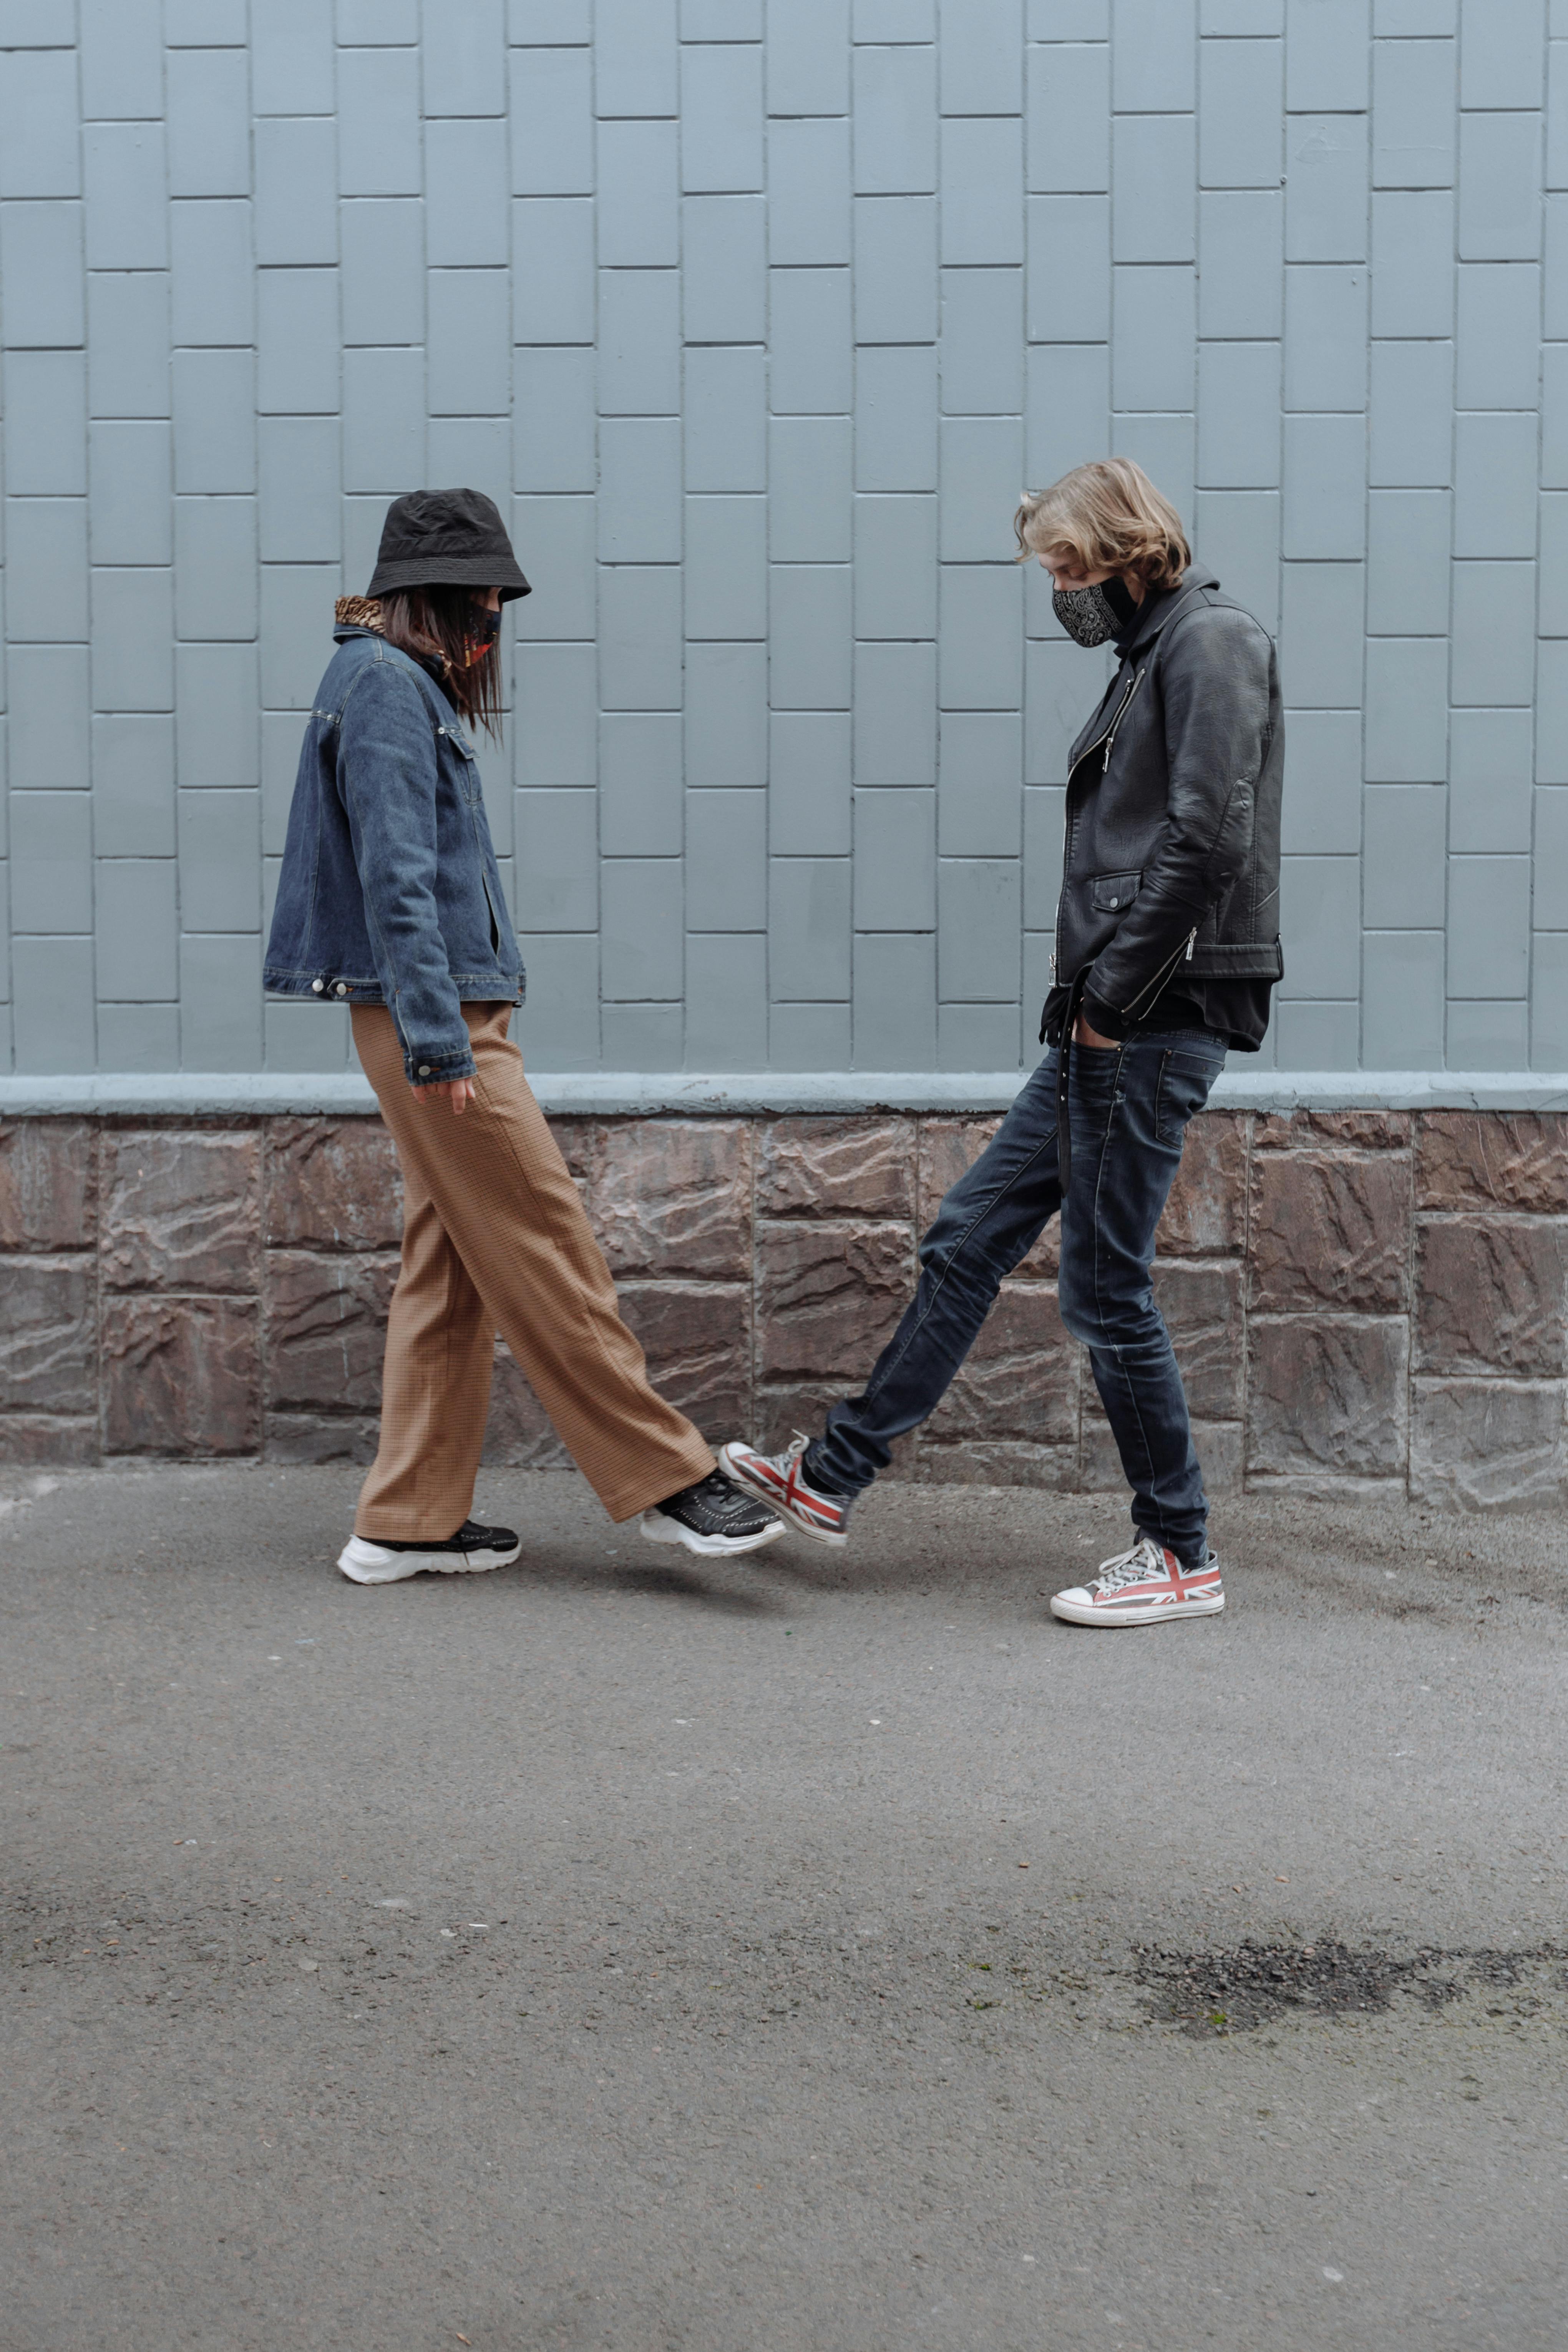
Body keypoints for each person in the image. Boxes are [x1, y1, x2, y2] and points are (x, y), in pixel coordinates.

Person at [721, 459, 1283, 1627]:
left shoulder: (1210, 641)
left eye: (1070, 567)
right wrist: (1092, 1004)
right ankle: (830, 1477)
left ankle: (1178, 1552)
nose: (1061, 591)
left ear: (1127, 551)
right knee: (970, 1236)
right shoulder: (1152, 652)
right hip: (1109, 1016)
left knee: (1105, 1288)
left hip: (1150, 1017)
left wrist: (1109, 1001)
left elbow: (1206, 840)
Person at [264, 488, 782, 1584]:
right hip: (437, 1017)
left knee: (453, 1263)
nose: (493, 618)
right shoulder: (385, 684)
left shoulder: (384, 676)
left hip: (436, 1010)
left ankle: (406, 1520)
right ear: (433, 594)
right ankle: (669, 1478)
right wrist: (439, 1042)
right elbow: (396, 879)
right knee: (547, 1237)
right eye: (483, 597)